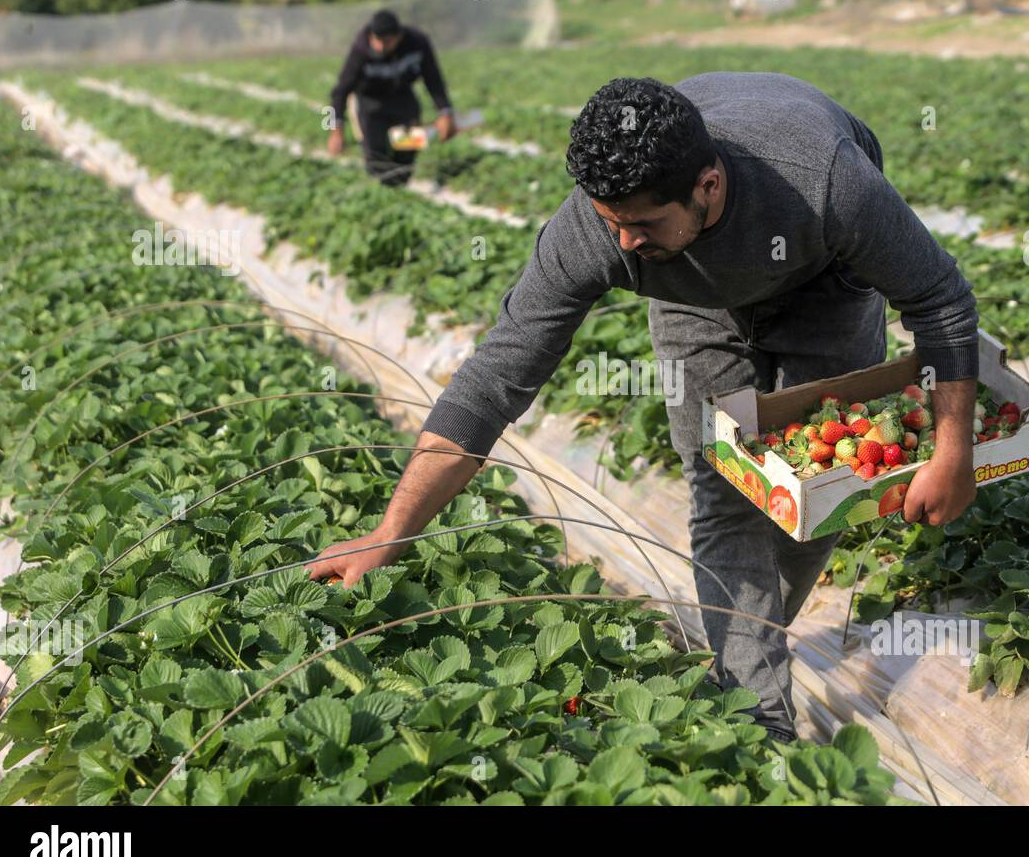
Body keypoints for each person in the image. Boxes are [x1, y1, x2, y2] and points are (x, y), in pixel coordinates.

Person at [309, 73, 980, 743]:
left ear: (707, 186)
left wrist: (953, 453)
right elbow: (493, 381)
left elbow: (941, 301)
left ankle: (743, 649)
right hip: (695, 302)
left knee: (817, 490)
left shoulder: (823, 178)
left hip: (822, 280)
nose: (624, 242)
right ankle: (760, 732)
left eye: (642, 224)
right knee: (724, 489)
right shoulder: (599, 227)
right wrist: (389, 534)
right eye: (612, 223)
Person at [327, 9, 457, 185]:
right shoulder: (360, 49)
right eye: (377, 41)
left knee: (409, 148)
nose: (381, 47)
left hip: (403, 99)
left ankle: (400, 186)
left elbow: (433, 78)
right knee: (377, 156)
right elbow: (339, 91)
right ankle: (382, 192)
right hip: (370, 103)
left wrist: (445, 111)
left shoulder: (418, 43)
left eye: (387, 41)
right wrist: (335, 131)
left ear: (399, 36)